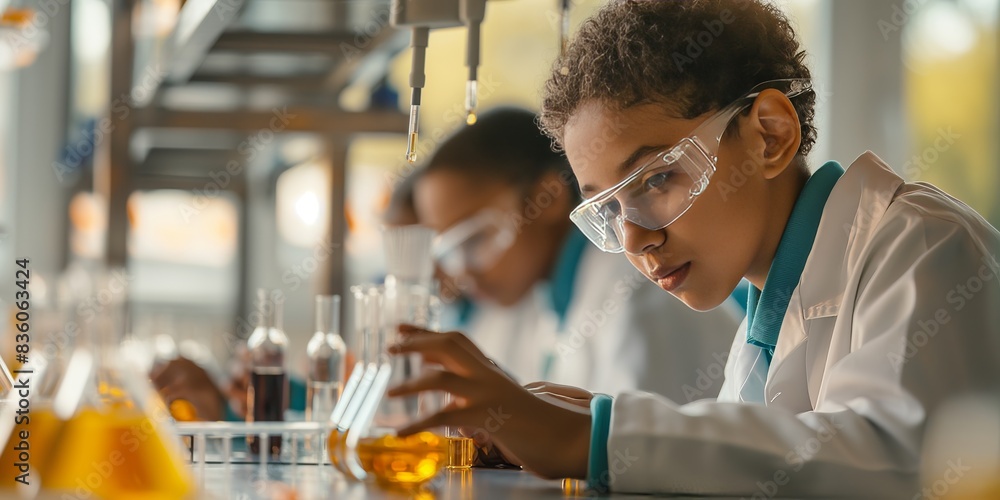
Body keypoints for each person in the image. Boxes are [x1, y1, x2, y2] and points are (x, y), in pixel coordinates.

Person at [384, 0, 1000, 496]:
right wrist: (593, 413)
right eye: (609, 209)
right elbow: (774, 458)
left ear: (770, 134)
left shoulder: (924, 245)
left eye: (655, 179)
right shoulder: (766, 310)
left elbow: (903, 464)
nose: (633, 238)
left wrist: (595, 438)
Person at [410, 107, 740, 400]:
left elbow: (640, 457)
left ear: (548, 197)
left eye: (475, 239)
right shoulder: (546, 300)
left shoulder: (635, 291)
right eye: (450, 253)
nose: (463, 274)